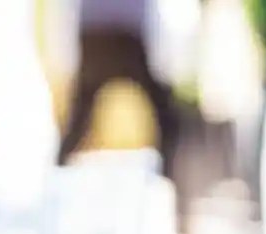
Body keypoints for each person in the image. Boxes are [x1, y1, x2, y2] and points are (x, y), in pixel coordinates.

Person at [57, 0, 179, 181]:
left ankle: (170, 177)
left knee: (166, 119)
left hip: (109, 30)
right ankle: (57, 175)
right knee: (166, 119)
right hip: (113, 30)